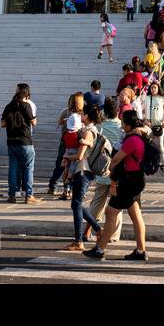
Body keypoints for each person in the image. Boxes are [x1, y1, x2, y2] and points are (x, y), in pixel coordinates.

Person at [84, 109, 149, 262]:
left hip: (128, 181)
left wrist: (112, 176)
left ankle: (100, 249)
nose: (122, 127)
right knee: (135, 214)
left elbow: (115, 160)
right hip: (137, 179)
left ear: (128, 124)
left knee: (111, 212)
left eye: (123, 124)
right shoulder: (140, 136)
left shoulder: (132, 139)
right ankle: (140, 250)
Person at [63, 105, 103, 251]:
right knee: (77, 204)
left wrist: (67, 156)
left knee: (76, 204)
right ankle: (98, 230)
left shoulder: (88, 132)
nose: (80, 116)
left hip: (83, 171)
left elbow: (80, 156)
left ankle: (79, 241)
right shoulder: (91, 130)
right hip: (85, 171)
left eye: (81, 114)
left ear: (86, 116)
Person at [86, 97, 124, 246]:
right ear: (118, 110)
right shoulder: (122, 126)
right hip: (118, 171)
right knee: (117, 204)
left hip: (102, 168)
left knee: (97, 202)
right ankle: (113, 235)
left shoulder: (100, 126)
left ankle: (88, 230)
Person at [1, 84, 41, 204]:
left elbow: (3, 124)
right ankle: (29, 195)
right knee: (28, 168)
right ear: (26, 95)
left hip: (11, 141)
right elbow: (33, 122)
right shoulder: (26, 106)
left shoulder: (9, 106)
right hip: (25, 141)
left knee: (13, 168)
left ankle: (12, 195)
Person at [47, 92, 84, 197]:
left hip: (65, 142)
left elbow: (59, 122)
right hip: (77, 144)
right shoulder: (82, 114)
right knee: (73, 168)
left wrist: (65, 122)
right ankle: (69, 189)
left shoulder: (66, 111)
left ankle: (54, 185)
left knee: (62, 165)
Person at [139, 80, 164, 176]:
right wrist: (144, 120)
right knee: (146, 145)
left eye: (155, 87)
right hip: (148, 125)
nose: (153, 89)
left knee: (160, 145)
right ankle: (146, 165)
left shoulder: (162, 99)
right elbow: (141, 110)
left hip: (158, 126)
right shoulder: (146, 98)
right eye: (152, 87)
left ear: (158, 88)